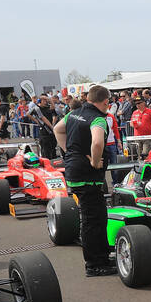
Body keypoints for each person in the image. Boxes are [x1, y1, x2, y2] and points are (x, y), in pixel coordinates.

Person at [54, 86, 113, 276]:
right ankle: (94, 264)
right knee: (92, 220)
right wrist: (95, 162)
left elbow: (57, 129)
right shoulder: (98, 118)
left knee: (96, 217)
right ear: (104, 102)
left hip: (75, 170)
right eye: (108, 103)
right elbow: (97, 142)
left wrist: (70, 152)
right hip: (87, 176)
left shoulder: (74, 113)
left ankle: (101, 257)